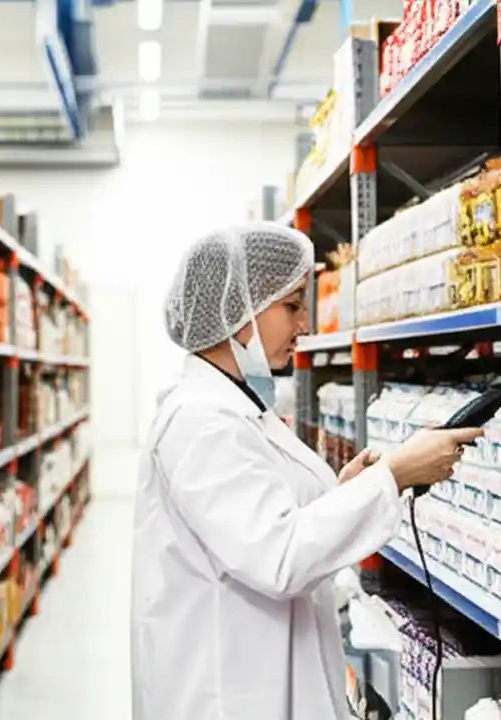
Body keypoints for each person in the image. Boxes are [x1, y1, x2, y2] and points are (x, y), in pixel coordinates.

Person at [130, 223, 482, 720]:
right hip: (228, 693)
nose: (305, 323)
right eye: (292, 305)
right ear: (241, 310)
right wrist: (394, 475)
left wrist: (346, 492)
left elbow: (267, 520)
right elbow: (279, 557)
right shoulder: (202, 421)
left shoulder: (234, 407)